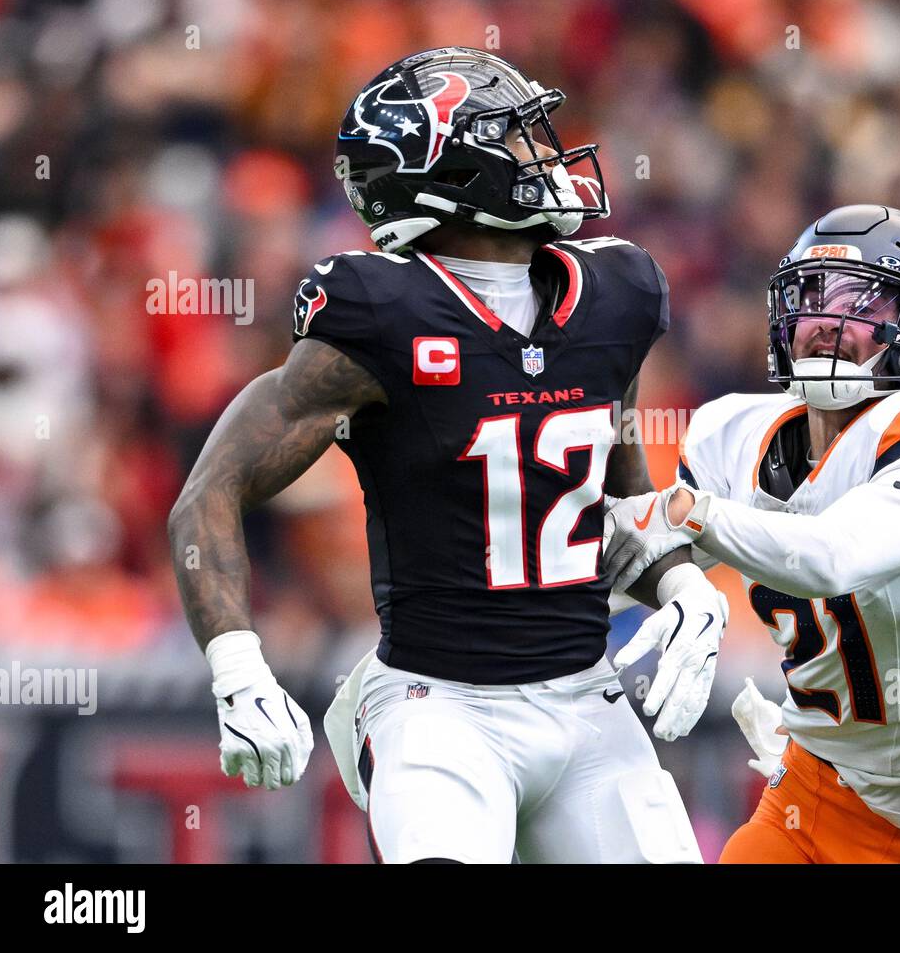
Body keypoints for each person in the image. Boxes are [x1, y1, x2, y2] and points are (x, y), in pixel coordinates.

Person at [168, 47, 726, 864]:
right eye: (517, 137)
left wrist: (683, 585)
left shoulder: (615, 296)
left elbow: (608, 511)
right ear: (450, 171)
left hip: (588, 703)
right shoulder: (380, 313)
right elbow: (209, 494)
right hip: (440, 709)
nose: (545, 155)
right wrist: (238, 669)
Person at [601, 205, 900, 863]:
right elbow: (640, 556)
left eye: (862, 305)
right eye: (811, 299)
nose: (827, 323)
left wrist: (684, 511)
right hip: (809, 795)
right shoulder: (731, 434)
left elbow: (832, 556)